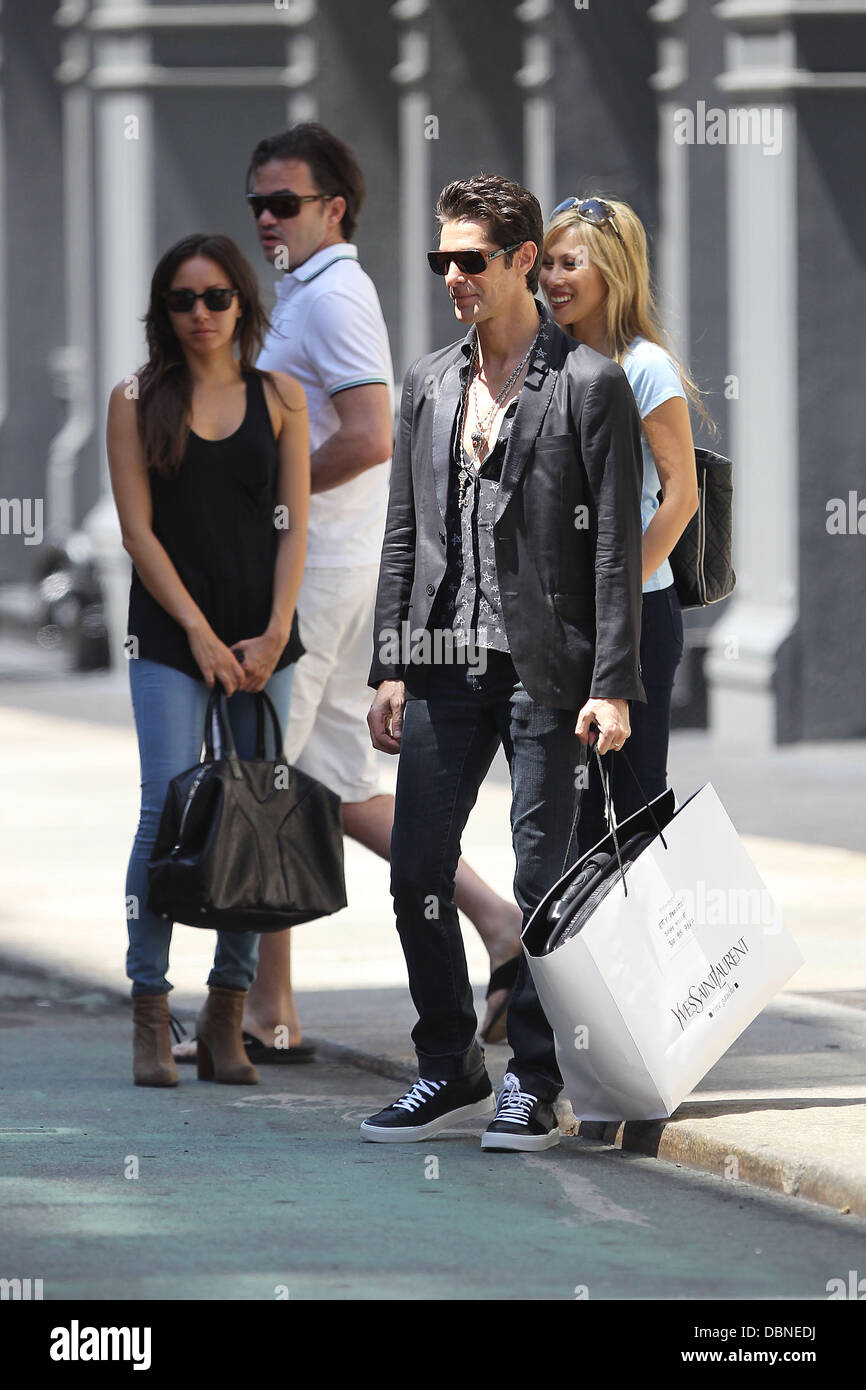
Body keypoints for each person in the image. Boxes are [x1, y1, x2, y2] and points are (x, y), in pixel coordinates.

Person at [172, 124, 526, 1067]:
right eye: (256, 202)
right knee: (321, 781)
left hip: (322, 570)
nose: (265, 218)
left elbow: (371, 435)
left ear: (336, 207)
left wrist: (262, 499)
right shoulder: (305, 295)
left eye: (284, 202)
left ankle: (258, 1006)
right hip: (328, 564)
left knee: (265, 778)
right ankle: (497, 923)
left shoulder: (335, 298)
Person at [360, 175, 645, 1152]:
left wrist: (611, 682)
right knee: (414, 872)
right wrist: (390, 662)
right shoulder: (430, 381)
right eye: (440, 260)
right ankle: (446, 1063)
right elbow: (403, 531)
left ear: (522, 260)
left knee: (539, 879)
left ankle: (534, 1078)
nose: (451, 276)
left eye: (468, 259)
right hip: (441, 659)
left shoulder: (588, 383)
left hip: (544, 667)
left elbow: (611, 545)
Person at [107, 233, 309, 1087]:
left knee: (254, 818)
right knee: (165, 808)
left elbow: (296, 524)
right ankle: (151, 1014)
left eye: (215, 297)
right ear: (165, 311)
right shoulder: (135, 399)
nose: (200, 314)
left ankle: (227, 1017)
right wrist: (194, 630)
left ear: (242, 304)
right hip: (170, 637)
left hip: (266, 643)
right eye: (183, 300)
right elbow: (136, 531)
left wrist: (272, 631)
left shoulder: (282, 398)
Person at [539, 196, 702, 852]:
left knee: (633, 818)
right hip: (559, 622)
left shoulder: (644, 367)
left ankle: (656, 955)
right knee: (565, 822)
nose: (552, 277)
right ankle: (575, 955)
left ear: (613, 269)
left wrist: (614, 597)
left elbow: (681, 495)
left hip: (635, 615)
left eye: (570, 263)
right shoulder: (544, 364)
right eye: (545, 263)